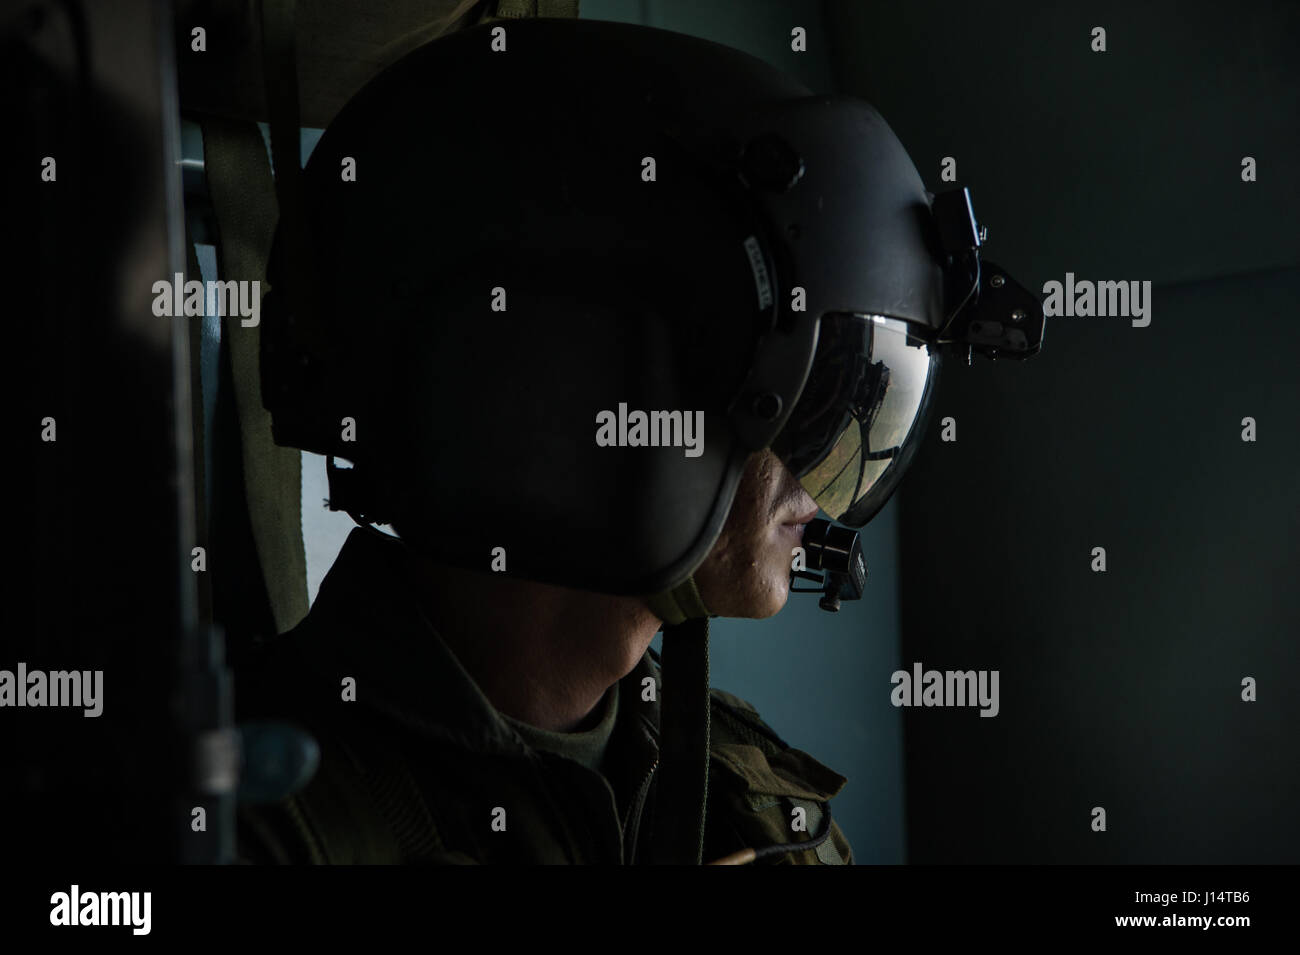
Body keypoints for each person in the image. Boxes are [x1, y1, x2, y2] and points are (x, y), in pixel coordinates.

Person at [236, 15, 1043, 865]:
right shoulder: (253, 818)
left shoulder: (747, 792)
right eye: (796, 392)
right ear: (576, 376)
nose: (811, 469)